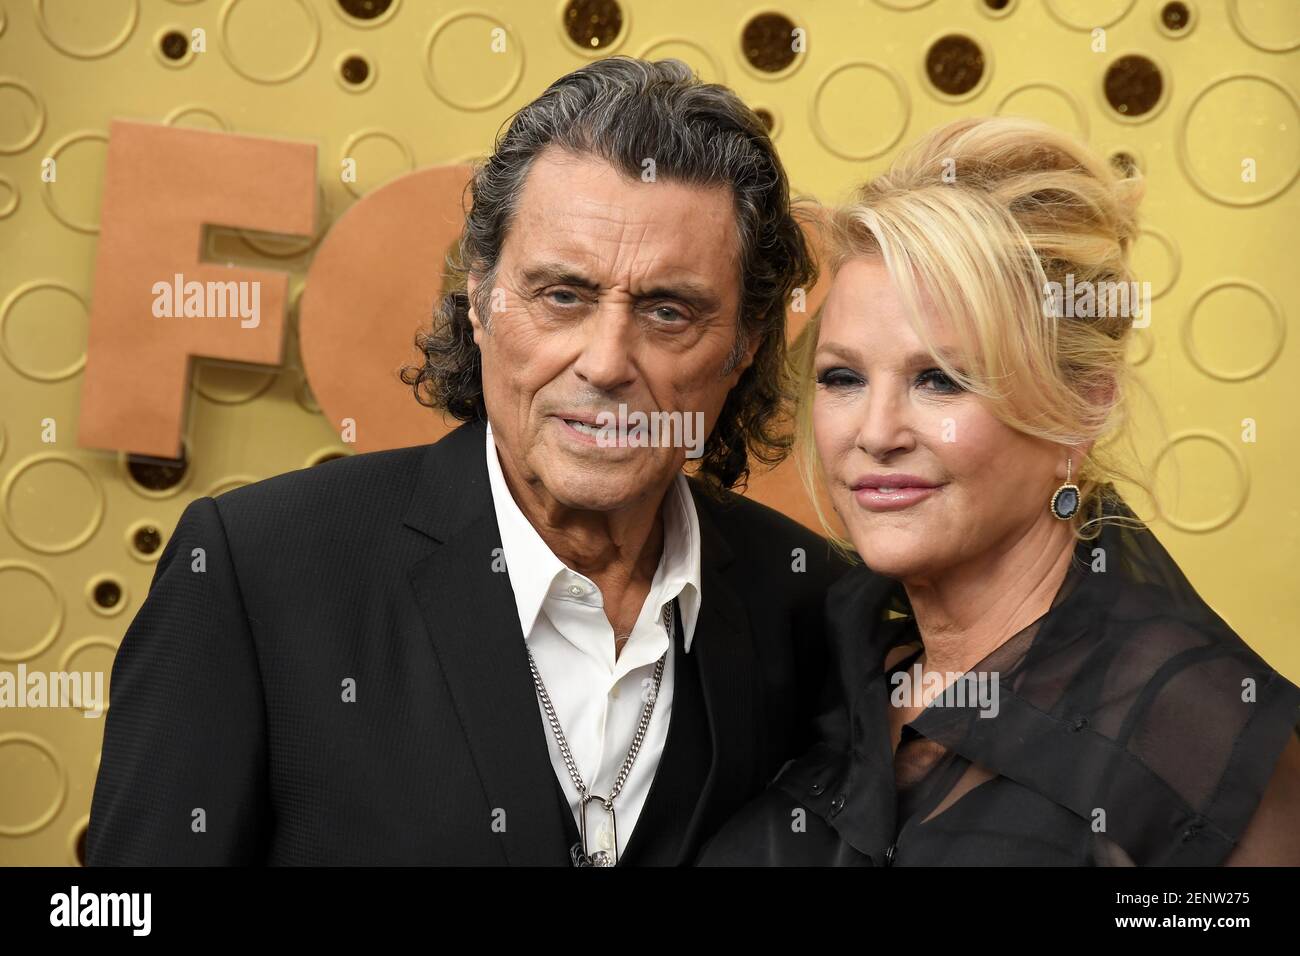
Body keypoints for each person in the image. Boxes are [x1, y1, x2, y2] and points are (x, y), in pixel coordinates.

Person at [86, 57, 870, 866]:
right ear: (480, 297)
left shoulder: (813, 600)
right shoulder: (256, 573)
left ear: (744, 344)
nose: (605, 363)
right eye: (562, 295)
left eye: (668, 311)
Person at [699, 116, 1300, 866]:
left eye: (941, 379)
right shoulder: (816, 662)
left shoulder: (1205, 729)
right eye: (843, 378)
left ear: (1083, 408)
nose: (876, 432)